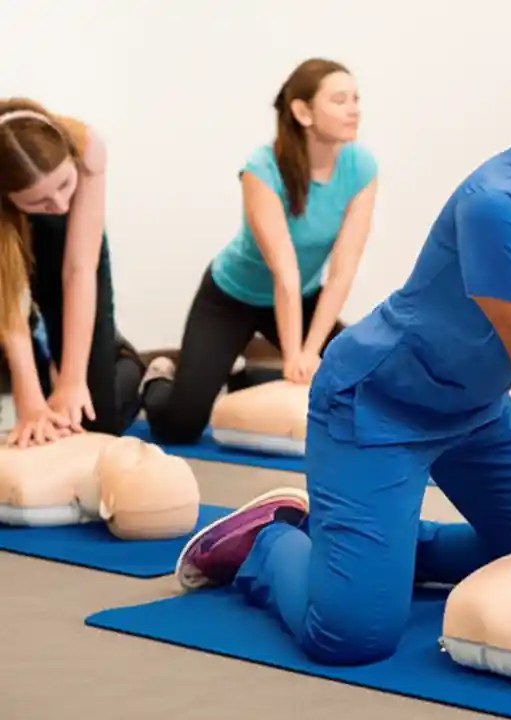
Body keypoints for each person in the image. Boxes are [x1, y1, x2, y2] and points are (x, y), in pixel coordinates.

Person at [172, 48, 511, 665]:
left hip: (476, 412)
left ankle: (375, 550)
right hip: (380, 406)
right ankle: (268, 543)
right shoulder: (500, 205)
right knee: (352, 637)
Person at [139, 57, 378, 444]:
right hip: (231, 298)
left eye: (356, 98)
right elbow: (284, 272)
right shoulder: (262, 168)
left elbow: (342, 271)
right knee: (179, 427)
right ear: (302, 111)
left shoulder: (361, 168)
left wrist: (310, 351)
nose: (354, 109)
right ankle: (158, 378)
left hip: (303, 299)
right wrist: (294, 358)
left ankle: (245, 377)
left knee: (366, 379)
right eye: (339, 100)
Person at [0, 99, 145, 447]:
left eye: (65, 185)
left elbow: (79, 270)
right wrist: (31, 403)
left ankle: (129, 364)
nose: (60, 205)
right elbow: (8, 302)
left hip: (75, 253)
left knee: (96, 422)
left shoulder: (87, 148)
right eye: (40, 202)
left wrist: (72, 380)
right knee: (36, 413)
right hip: (9, 257)